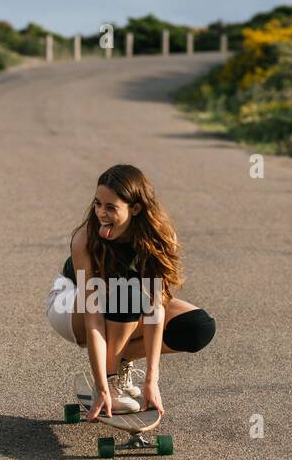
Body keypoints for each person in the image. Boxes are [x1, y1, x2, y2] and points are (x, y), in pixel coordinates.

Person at [45, 164, 215, 421]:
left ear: (135, 209)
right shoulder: (85, 239)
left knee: (197, 327)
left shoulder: (160, 238)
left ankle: (122, 359)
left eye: (111, 208)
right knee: (128, 291)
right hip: (69, 306)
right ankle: (114, 380)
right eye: (98, 204)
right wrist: (102, 385)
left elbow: (155, 310)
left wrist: (152, 379)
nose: (101, 213)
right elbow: (93, 319)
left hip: (123, 301)